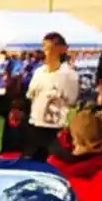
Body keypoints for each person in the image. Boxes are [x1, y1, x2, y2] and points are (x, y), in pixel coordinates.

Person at [24, 32, 79, 161]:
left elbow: (71, 101)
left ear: (61, 50)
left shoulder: (69, 75)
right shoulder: (38, 72)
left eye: (48, 48)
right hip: (35, 125)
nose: (44, 52)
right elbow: (30, 95)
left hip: (56, 129)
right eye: (43, 47)